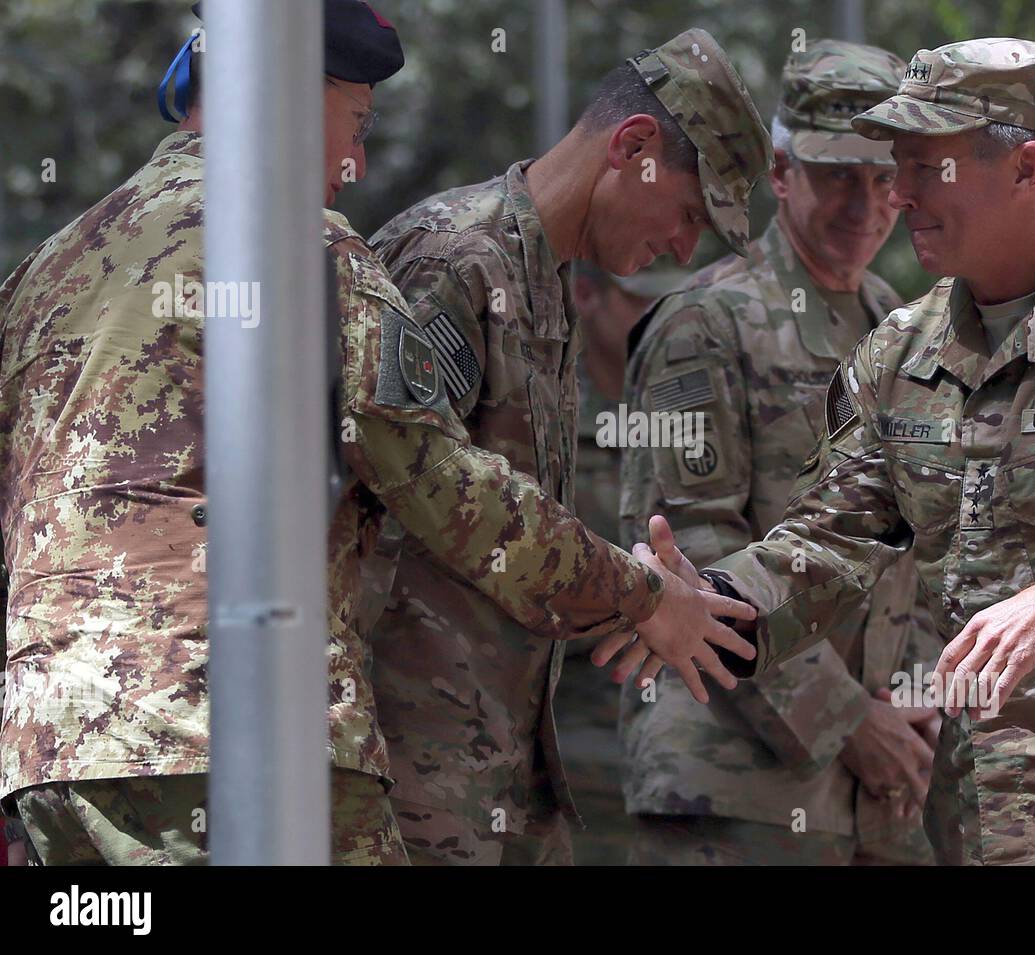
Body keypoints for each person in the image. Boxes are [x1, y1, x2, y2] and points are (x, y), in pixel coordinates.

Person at [0, 2, 755, 866]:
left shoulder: (45, 270)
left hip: (53, 754)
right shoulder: (304, 247)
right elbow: (444, 488)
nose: (356, 162)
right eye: (355, 122)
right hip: (235, 733)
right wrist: (643, 595)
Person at [633, 37, 1035, 866]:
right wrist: (711, 597)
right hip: (961, 828)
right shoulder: (899, 351)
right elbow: (831, 541)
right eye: (893, 165)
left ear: (1025, 169)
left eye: (923, 167)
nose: (898, 195)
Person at [366, 27, 773, 865]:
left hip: (501, 773)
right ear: (633, 147)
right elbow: (439, 499)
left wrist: (652, 590)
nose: (685, 248)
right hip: (407, 777)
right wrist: (642, 598)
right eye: (691, 212)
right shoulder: (456, 262)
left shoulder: (541, 283)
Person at [618, 39, 940, 865]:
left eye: (882, 179)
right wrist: (845, 720)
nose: (864, 205)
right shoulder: (706, 324)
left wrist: (921, 701)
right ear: (783, 172)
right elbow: (687, 553)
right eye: (837, 175)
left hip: (884, 794)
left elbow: (927, 543)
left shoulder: (900, 328)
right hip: (737, 788)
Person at [556, 262, 685, 866]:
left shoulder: (699, 416)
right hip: (581, 730)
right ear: (587, 295)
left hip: (695, 730)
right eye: (642, 302)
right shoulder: (542, 418)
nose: (663, 323)